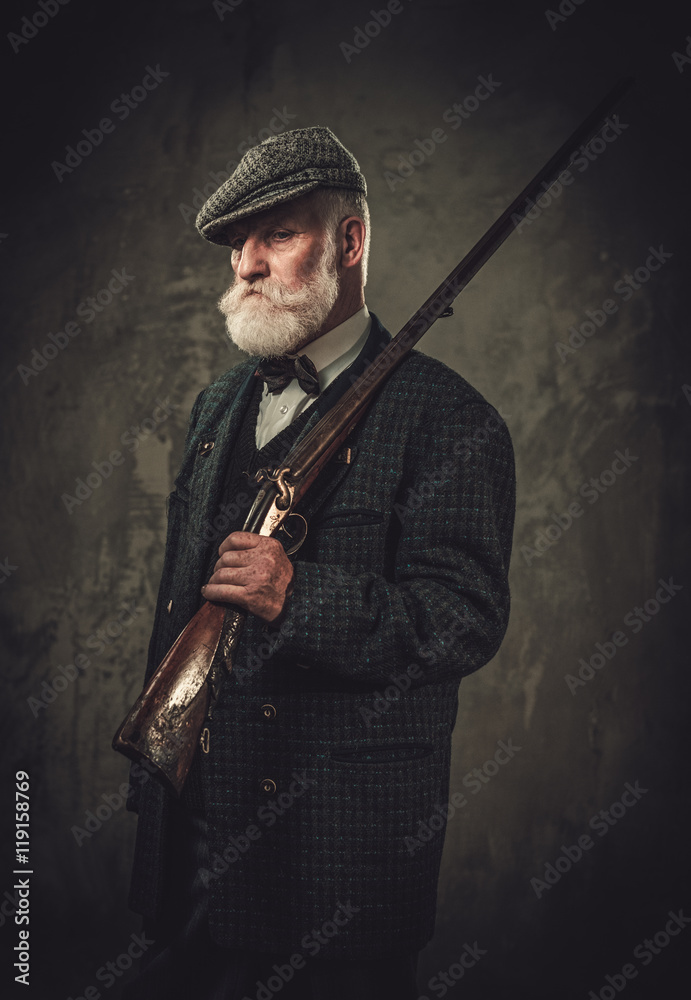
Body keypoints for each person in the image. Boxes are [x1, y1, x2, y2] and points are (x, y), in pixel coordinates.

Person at [123, 126, 515, 1000]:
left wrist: (299, 594)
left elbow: (463, 618)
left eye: (277, 235)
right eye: (237, 244)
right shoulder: (218, 402)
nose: (247, 266)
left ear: (349, 241)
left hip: (335, 860)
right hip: (190, 831)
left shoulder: (451, 420)